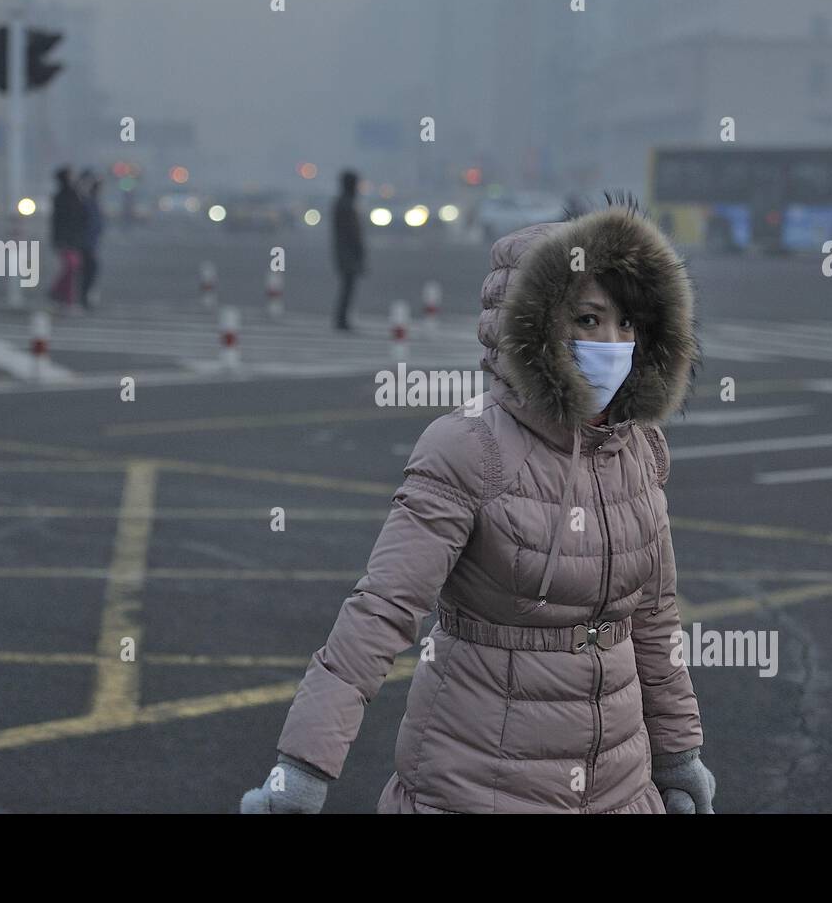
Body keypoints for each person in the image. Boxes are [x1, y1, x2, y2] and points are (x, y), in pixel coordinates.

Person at [241, 194, 716, 814]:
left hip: (620, 790)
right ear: (540, 326)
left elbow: (653, 621)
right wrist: (302, 768)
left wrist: (679, 758)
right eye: (589, 319)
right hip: (481, 786)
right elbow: (381, 610)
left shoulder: (637, 450)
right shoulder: (468, 446)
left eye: (627, 324)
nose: (612, 342)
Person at [330, 170, 364, 331]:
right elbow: (352, 232)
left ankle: (342, 319)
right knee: (347, 288)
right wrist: (360, 251)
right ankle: (341, 320)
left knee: (347, 287)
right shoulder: (346, 204)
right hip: (347, 252)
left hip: (344, 251)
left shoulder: (343, 202)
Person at [49, 166, 85, 309]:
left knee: (71, 267)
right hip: (67, 239)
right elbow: (60, 221)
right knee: (71, 267)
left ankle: (58, 293)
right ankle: (63, 296)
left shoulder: (70, 194)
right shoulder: (64, 196)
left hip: (70, 238)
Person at [78, 170, 105, 309]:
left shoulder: (91, 201)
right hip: (85, 242)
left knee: (89, 270)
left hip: (90, 242)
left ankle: (83, 297)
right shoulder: (86, 202)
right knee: (89, 270)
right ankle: (82, 298)